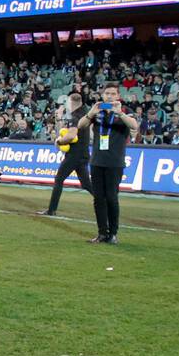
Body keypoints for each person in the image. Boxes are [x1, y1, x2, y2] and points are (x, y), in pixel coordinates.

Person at [78, 83, 137, 244]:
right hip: (97, 161)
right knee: (98, 199)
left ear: (118, 96)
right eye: (107, 94)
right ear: (103, 96)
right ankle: (102, 233)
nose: (109, 96)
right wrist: (90, 113)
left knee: (111, 197)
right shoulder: (97, 113)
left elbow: (134, 126)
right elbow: (80, 126)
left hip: (115, 163)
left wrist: (120, 113)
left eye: (113, 94)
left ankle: (113, 233)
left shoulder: (124, 113)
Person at [37, 92, 92, 216]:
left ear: (71, 103)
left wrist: (59, 141)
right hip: (82, 153)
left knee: (59, 179)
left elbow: (71, 135)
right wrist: (60, 118)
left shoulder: (76, 117)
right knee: (86, 183)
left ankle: (52, 210)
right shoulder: (84, 113)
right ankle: (103, 200)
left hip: (75, 154)